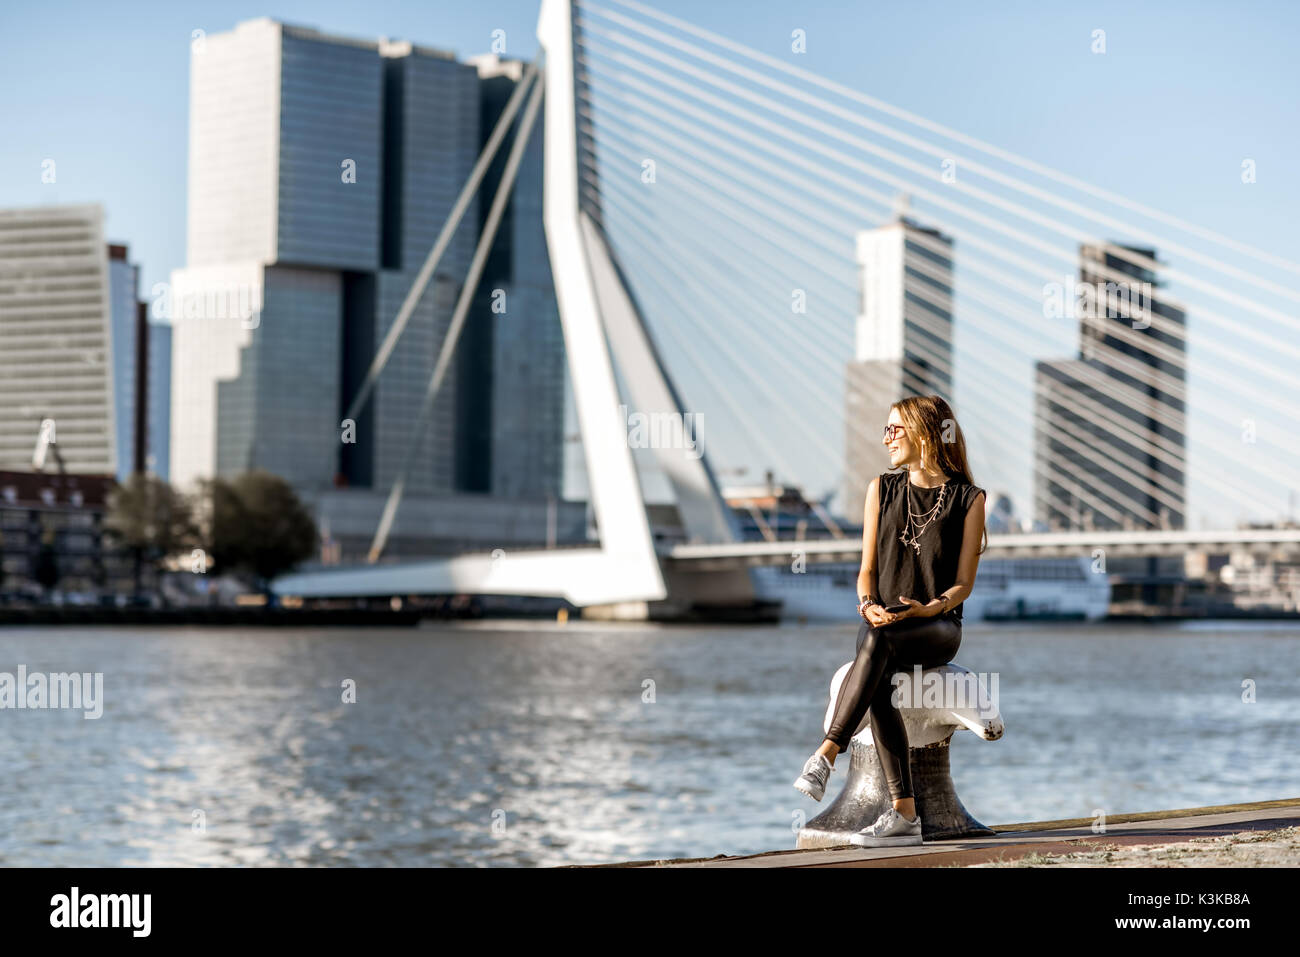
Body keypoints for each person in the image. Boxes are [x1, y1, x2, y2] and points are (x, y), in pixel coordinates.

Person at [793, 394, 987, 847]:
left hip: (937, 627)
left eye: (894, 429)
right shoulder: (881, 489)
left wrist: (928, 607)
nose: (886, 439)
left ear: (923, 434)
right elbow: (865, 570)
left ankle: (827, 751)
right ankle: (905, 813)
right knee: (876, 647)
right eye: (885, 429)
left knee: (876, 646)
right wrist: (867, 604)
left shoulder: (968, 499)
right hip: (883, 625)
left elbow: (962, 585)